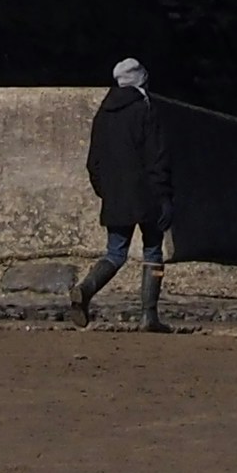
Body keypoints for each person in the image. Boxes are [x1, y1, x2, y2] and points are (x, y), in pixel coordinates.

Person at [69, 57, 172, 331]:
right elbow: (157, 157)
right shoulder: (146, 108)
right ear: (141, 79)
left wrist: (106, 191)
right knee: (153, 252)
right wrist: (164, 197)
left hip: (116, 196)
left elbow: (94, 163)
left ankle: (86, 289)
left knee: (115, 253)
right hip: (147, 195)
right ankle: (149, 316)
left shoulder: (103, 113)